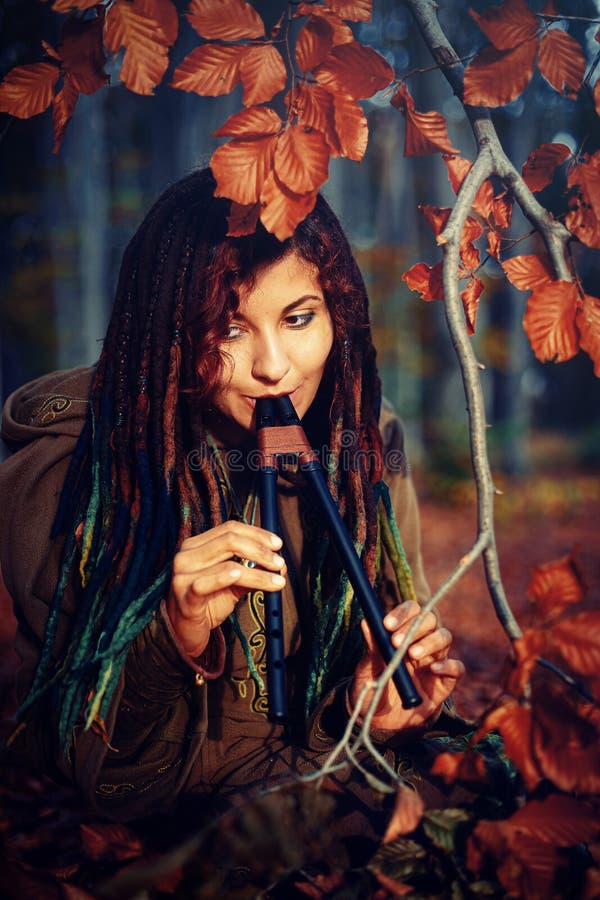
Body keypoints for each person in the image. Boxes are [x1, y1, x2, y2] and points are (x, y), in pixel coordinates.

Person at [0, 168, 465, 833]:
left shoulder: (363, 437)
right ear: (169, 332)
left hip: (311, 785)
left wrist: (374, 714)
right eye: (229, 329)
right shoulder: (74, 466)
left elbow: (381, 698)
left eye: (298, 318)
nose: (274, 366)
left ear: (340, 314)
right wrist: (171, 636)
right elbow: (86, 770)